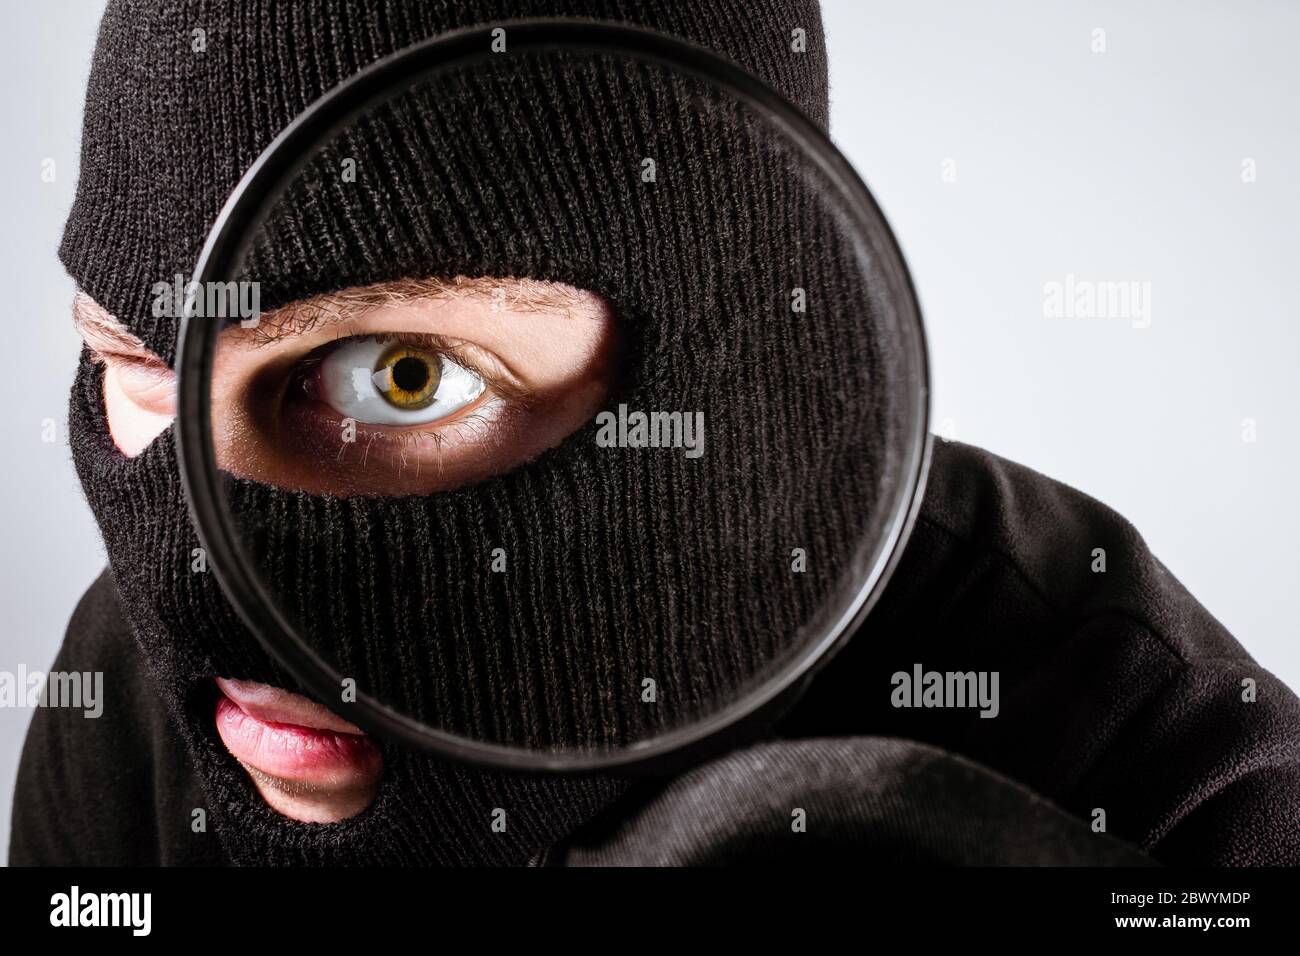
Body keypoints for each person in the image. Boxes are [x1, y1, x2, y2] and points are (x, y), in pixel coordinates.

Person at [11, 0, 1300, 867]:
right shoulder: (131, 693)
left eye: (399, 378)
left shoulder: (1162, 772)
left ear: (744, 364)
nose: (195, 570)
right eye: (140, 362)